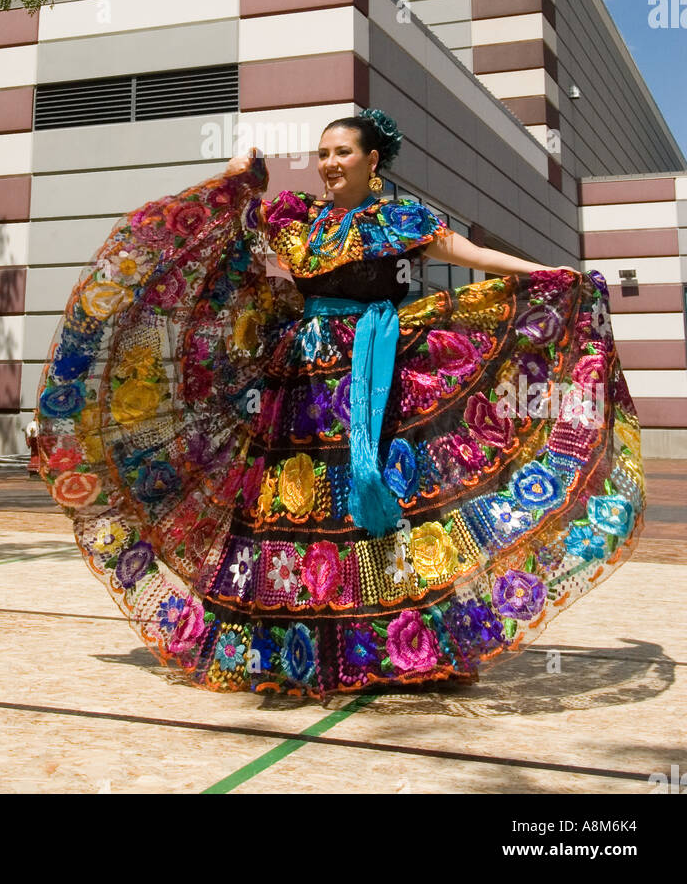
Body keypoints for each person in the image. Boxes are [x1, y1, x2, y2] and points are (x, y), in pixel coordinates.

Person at [34, 107, 646, 698]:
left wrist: (552, 273)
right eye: (322, 153)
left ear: (370, 160)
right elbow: (233, 224)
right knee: (294, 502)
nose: (328, 163)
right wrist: (239, 172)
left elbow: (470, 255)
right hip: (303, 378)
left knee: (377, 494)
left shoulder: (401, 219)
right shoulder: (299, 219)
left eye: (341, 152)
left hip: (378, 370)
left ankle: (406, 647)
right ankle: (285, 649)